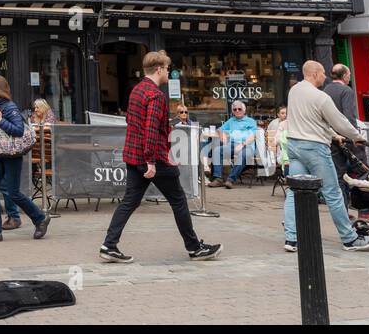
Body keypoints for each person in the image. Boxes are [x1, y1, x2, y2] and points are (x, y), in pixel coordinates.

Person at [100, 50, 221, 264]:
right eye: (166, 69)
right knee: (179, 200)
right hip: (150, 158)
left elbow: (135, 123)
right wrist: (152, 160)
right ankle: (194, 248)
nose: (168, 72)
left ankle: (109, 245)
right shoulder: (155, 95)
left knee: (129, 201)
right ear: (159, 69)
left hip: (134, 156)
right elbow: (151, 129)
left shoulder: (137, 91)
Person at [282, 61, 369, 253]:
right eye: (323, 73)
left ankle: (291, 239)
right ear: (315, 73)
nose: (325, 77)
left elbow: (310, 120)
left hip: (294, 145)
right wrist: (356, 137)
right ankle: (349, 239)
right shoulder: (320, 97)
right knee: (333, 193)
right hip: (314, 148)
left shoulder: (294, 91)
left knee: (294, 192)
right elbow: (339, 121)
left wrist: (333, 136)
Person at [0, 76, 51, 242]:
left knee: (13, 193)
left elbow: (18, 131)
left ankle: (40, 218)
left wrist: (1, 121)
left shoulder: (10, 107)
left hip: (12, 155)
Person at [324, 64, 359, 202]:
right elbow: (348, 116)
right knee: (353, 171)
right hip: (343, 138)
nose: (350, 78)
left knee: (336, 173)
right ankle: (356, 205)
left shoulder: (325, 90)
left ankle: (341, 206)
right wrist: (355, 136)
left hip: (329, 136)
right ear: (344, 76)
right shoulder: (346, 90)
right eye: (349, 75)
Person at [210, 100, 259, 187]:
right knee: (217, 150)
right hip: (232, 145)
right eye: (235, 109)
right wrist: (223, 136)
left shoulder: (250, 121)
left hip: (247, 146)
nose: (237, 111)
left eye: (239, 109)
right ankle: (218, 179)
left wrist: (242, 144)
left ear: (244, 110)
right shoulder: (231, 120)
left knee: (243, 155)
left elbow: (254, 136)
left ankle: (230, 179)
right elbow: (219, 129)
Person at [265, 105, 288, 172]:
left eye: (286, 113)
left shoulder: (290, 122)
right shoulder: (274, 123)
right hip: (275, 146)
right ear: (278, 114)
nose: (285, 115)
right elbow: (269, 138)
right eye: (282, 113)